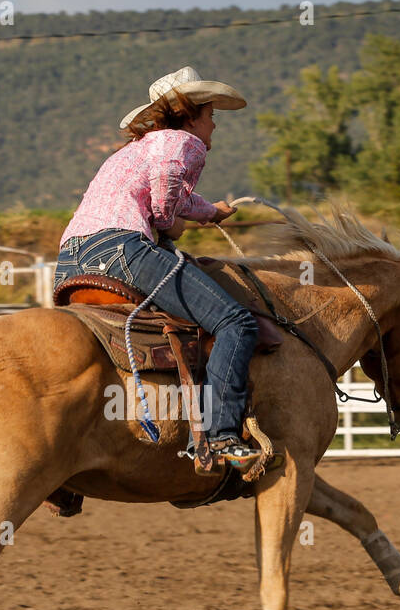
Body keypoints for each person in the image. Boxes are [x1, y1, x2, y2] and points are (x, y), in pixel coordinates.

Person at [56, 66, 264, 472]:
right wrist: (186, 216)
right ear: (191, 113)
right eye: (211, 116)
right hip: (120, 248)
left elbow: (162, 193)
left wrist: (205, 213)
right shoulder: (183, 142)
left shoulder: (134, 150)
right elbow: (165, 198)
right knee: (237, 322)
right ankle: (222, 435)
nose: (214, 126)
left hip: (70, 258)